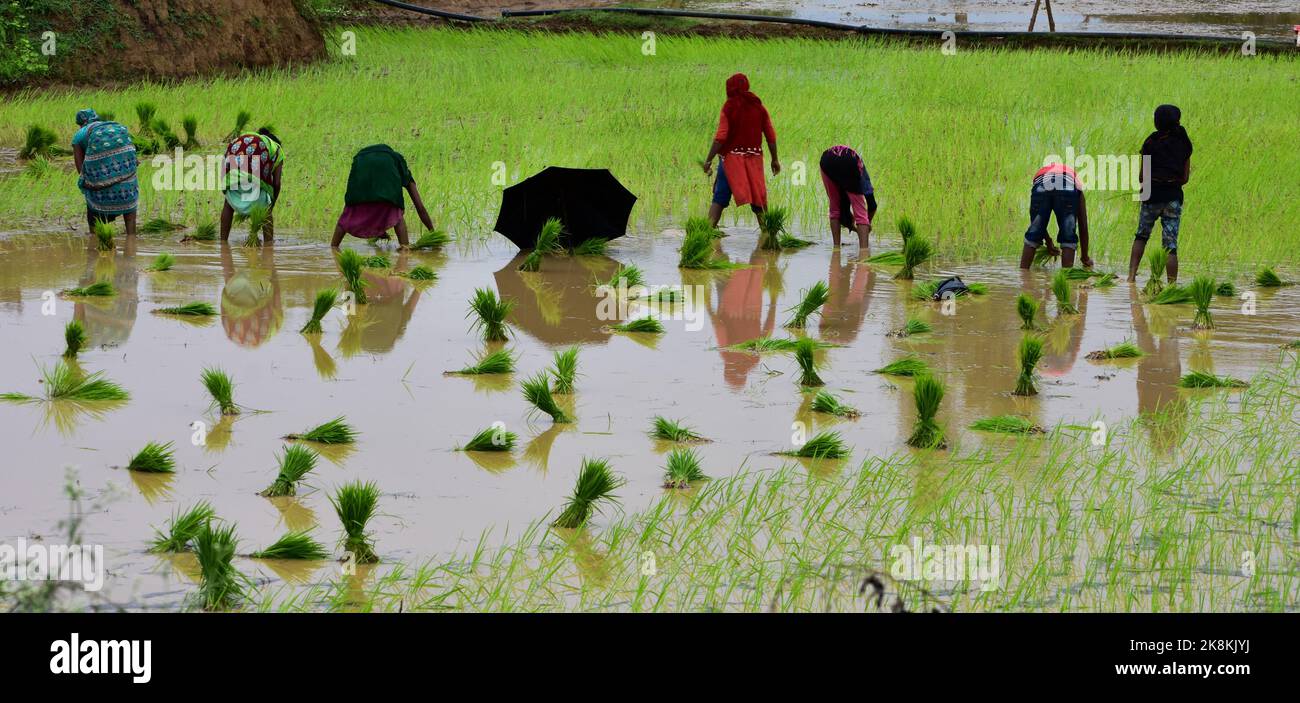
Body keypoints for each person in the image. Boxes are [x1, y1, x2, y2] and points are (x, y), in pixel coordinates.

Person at [701, 73, 780, 230]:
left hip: (731, 160)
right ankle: (767, 238)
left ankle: (705, 235)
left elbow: (720, 138)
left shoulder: (729, 107)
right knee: (759, 200)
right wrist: (774, 159)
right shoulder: (759, 108)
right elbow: (770, 136)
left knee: (720, 198)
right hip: (754, 159)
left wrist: (708, 160)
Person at [1127, 104, 1192, 283]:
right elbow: (1185, 178)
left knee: (1141, 236)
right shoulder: (1183, 143)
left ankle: (1131, 277)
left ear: (1156, 122)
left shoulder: (1150, 142)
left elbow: (1142, 176)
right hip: (1173, 197)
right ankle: (1171, 286)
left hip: (1151, 195)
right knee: (1170, 246)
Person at [331, 144, 434, 248]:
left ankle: (333, 247)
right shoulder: (400, 166)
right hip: (362, 164)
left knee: (348, 214)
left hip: (360, 166)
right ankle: (404, 250)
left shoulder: (363, 159)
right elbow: (420, 207)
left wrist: (380, 231)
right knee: (397, 216)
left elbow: (371, 198)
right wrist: (432, 232)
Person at [71, 108, 139, 239]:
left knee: (93, 212)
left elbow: (81, 169)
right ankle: (131, 241)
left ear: (80, 123)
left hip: (101, 187)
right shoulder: (114, 128)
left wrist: (91, 182)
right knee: (130, 217)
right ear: (96, 118)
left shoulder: (79, 134)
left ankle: (95, 238)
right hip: (128, 182)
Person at [1019, 161, 1092, 269]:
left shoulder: (1040, 173)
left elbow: (1035, 219)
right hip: (1067, 184)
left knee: (1034, 231)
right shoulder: (1075, 180)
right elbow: (1083, 224)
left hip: (1042, 181)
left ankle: (1023, 278)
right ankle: (1066, 279)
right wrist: (1085, 257)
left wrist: (1048, 241)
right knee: (1068, 234)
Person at [220, 127, 283, 243]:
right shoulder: (277, 149)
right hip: (252, 169)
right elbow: (277, 183)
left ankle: (223, 243)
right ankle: (269, 245)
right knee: (265, 208)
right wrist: (271, 204)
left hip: (231, 168)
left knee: (228, 204)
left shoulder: (245, 137)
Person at [818, 145, 877, 249]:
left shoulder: (844, 203)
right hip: (848, 162)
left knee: (834, 208)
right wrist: (867, 224)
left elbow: (841, 214)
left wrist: (857, 227)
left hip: (827, 160)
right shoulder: (861, 174)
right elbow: (872, 205)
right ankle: (864, 252)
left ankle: (836, 248)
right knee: (860, 213)